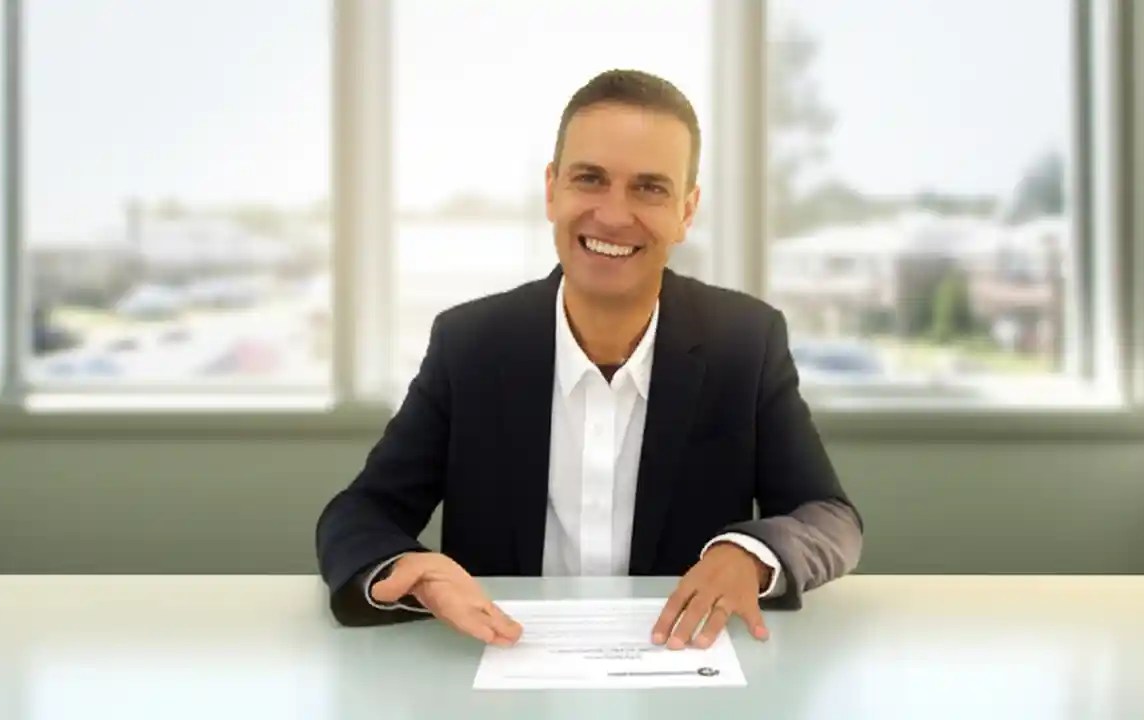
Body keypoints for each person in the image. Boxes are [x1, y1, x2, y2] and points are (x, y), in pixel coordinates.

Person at [316, 69, 863, 650]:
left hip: (682, 674)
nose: (613, 214)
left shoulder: (745, 342)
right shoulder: (471, 343)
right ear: (552, 190)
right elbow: (361, 512)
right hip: (499, 669)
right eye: (590, 179)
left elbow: (829, 518)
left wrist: (751, 554)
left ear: (687, 209)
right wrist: (412, 571)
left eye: (650, 188)